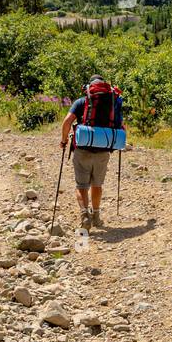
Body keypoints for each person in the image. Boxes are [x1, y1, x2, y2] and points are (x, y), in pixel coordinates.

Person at [60, 76, 123, 230]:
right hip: (103, 150)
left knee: (81, 186)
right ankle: (96, 216)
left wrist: (63, 141)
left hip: (83, 149)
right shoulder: (113, 101)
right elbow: (120, 124)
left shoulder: (82, 101)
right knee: (97, 184)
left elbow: (67, 121)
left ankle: (84, 215)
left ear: (90, 87)